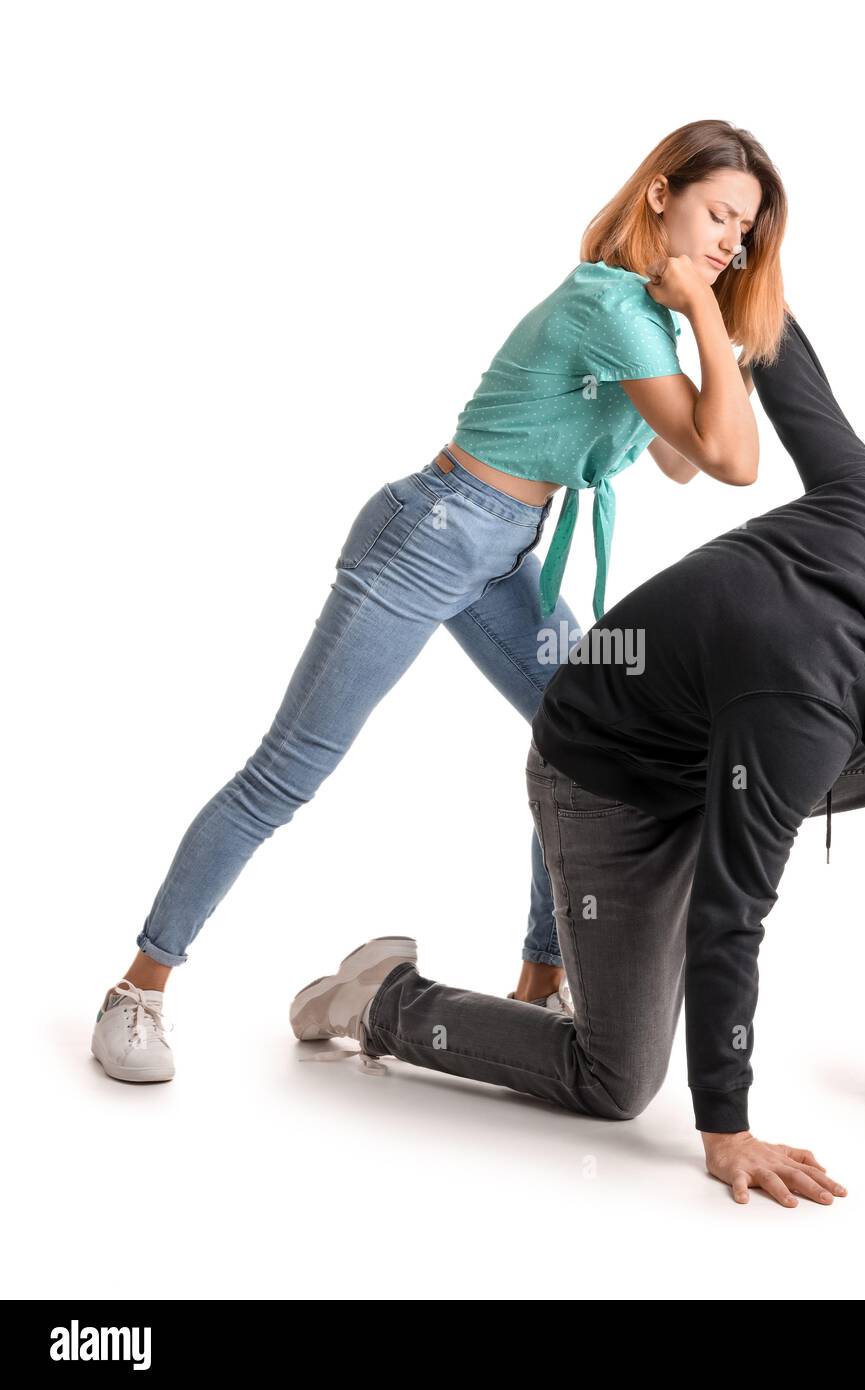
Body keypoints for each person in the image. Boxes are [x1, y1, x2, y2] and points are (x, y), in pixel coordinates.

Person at [288, 310, 865, 1207]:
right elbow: (729, 920)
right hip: (606, 782)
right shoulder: (800, 716)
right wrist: (725, 1127)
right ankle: (383, 1001)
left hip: (722, 722)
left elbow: (796, 389)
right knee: (615, 1081)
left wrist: (752, 301)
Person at [92, 119, 789, 1083]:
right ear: (660, 194)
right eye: (720, 215)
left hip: (509, 557)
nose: (728, 243)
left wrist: (704, 316)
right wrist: (709, 320)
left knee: (587, 740)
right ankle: (139, 987)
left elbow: (681, 461)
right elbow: (733, 460)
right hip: (433, 534)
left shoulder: (649, 318)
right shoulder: (609, 304)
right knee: (289, 768)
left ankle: (542, 981)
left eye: (744, 234)